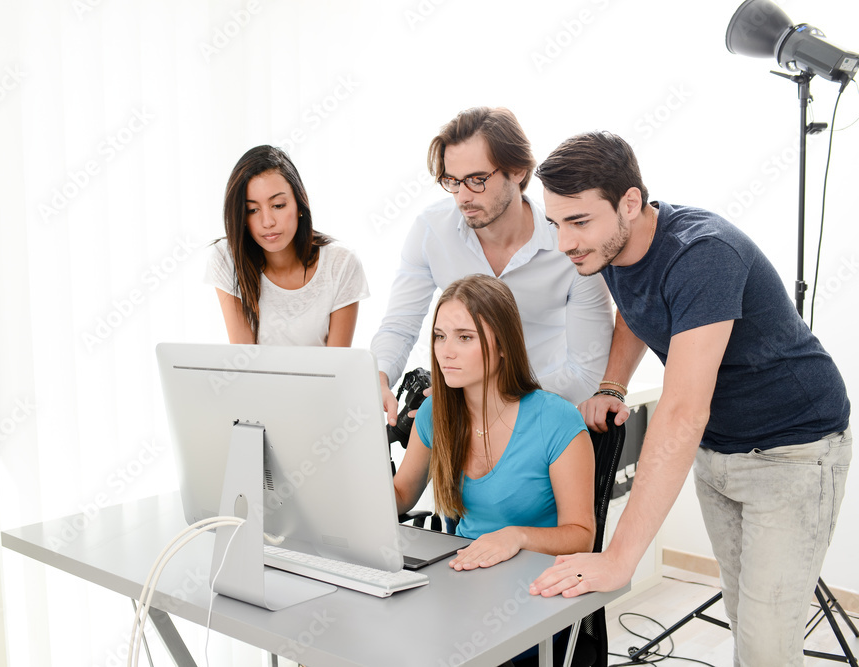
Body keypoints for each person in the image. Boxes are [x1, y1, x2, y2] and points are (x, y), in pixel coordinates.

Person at [531, 130, 852, 667]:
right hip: (720, 449)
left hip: (796, 451)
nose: (565, 242)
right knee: (744, 614)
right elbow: (635, 308)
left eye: (578, 221)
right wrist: (613, 384)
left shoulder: (703, 255)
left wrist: (619, 559)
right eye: (555, 223)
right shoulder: (608, 246)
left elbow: (681, 413)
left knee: (768, 645)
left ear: (629, 202)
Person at [371, 107, 614, 418]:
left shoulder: (570, 246)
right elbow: (399, 326)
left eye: (476, 179)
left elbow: (584, 372)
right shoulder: (431, 230)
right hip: (462, 418)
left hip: (543, 416)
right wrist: (378, 379)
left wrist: (488, 398)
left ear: (518, 171)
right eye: (452, 181)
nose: (462, 197)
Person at [392, 274, 595, 565]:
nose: (445, 352)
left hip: (535, 580)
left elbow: (581, 537)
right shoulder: (434, 413)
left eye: (465, 337)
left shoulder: (556, 419)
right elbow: (402, 495)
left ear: (502, 345)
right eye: (440, 336)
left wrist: (517, 536)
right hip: (463, 569)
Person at [207, 145, 368, 346]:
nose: (267, 222)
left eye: (278, 206)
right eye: (252, 210)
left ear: (300, 204)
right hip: (255, 379)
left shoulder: (341, 264)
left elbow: (336, 368)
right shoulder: (227, 259)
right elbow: (243, 362)